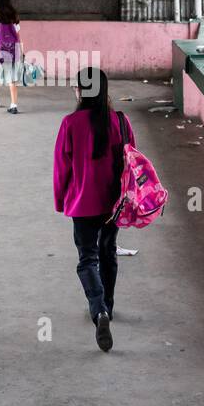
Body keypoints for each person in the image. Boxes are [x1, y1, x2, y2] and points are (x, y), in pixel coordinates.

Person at [53, 67, 132, 352]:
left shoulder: (70, 123)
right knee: (107, 252)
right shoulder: (120, 121)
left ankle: (98, 309)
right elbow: (132, 161)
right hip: (113, 202)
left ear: (81, 91)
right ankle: (107, 307)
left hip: (83, 203)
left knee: (88, 258)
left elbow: (62, 168)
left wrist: (61, 199)